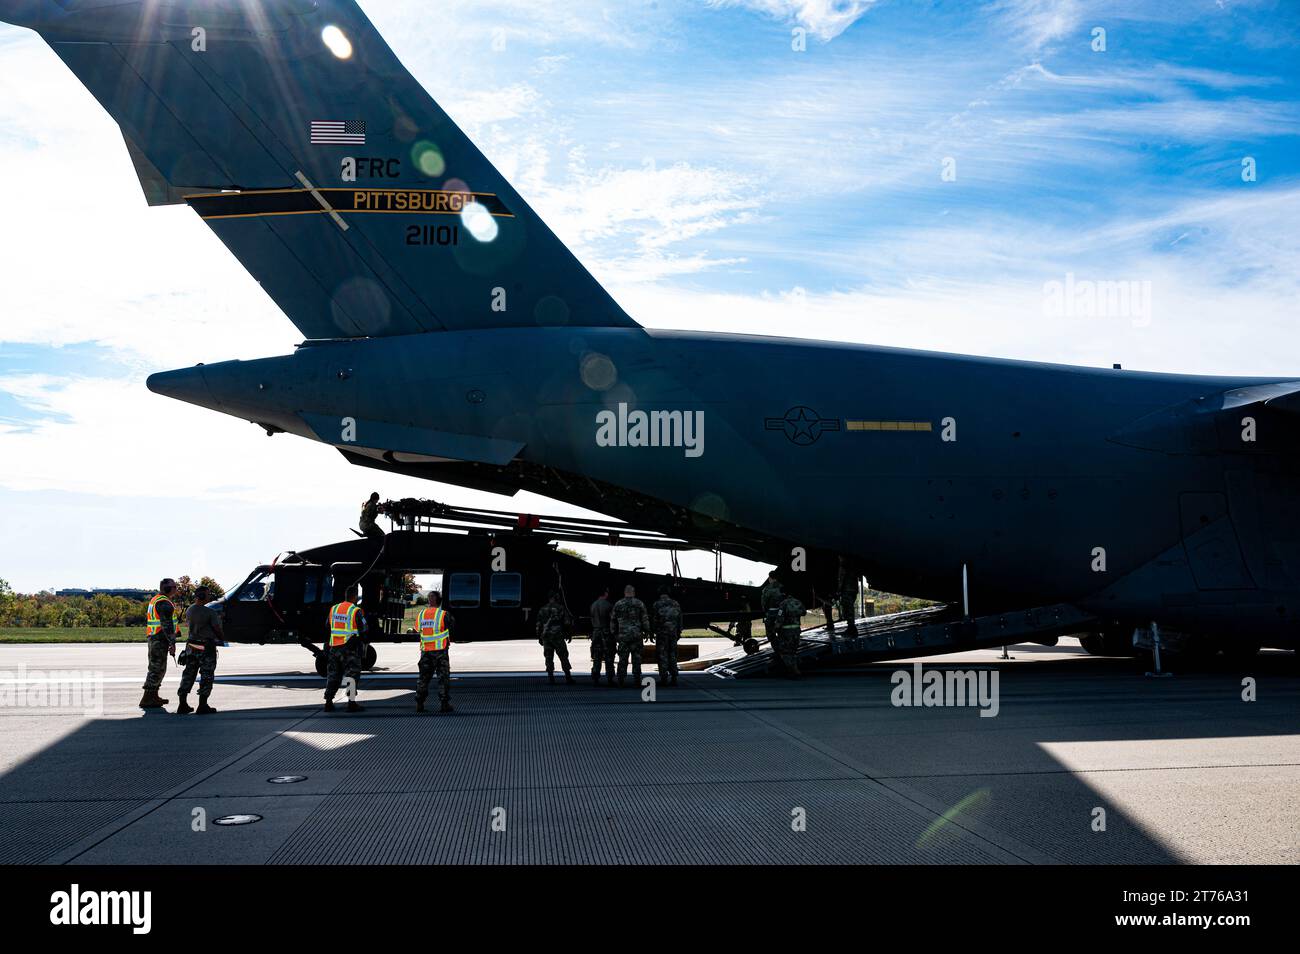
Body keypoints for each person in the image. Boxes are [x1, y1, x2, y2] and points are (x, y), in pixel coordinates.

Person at [177, 585, 221, 714]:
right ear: (203, 596)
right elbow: (216, 629)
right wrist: (221, 637)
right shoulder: (210, 612)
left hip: (191, 645)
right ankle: (202, 705)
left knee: (188, 674)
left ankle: (182, 704)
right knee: (207, 675)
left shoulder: (189, 609)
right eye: (208, 594)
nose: (209, 596)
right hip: (205, 647)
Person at [324, 585, 366, 712]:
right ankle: (351, 703)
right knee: (351, 675)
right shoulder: (355, 610)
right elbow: (364, 628)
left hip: (334, 648)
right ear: (355, 596)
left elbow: (327, 626)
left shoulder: (334, 609)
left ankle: (328, 702)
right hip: (349, 648)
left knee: (333, 675)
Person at [140, 578, 179, 709]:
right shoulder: (164, 603)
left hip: (155, 637)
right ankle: (147, 698)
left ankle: (153, 695)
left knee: (157, 668)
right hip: (159, 639)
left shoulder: (156, 599)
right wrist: (172, 643)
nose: (176, 589)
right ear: (167, 588)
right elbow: (167, 625)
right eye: (174, 587)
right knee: (157, 668)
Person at [415, 591, 454, 713]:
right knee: (443, 678)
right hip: (440, 652)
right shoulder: (443, 614)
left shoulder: (421, 614)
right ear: (439, 601)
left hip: (426, 652)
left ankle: (419, 704)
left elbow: (417, 628)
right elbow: (452, 626)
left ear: (429, 600)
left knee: (423, 678)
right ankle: (444, 704)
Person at [612, 584, 651, 687]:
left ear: (625, 592)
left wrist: (614, 633)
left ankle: (621, 679)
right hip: (636, 636)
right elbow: (645, 619)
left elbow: (613, 620)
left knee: (623, 658)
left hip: (623, 636)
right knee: (637, 658)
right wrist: (647, 631)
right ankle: (637, 679)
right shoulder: (639, 603)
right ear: (633, 593)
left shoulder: (618, 604)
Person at [536, 591, 575, 684]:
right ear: (555, 597)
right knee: (563, 656)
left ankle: (551, 678)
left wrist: (539, 637)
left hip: (546, 637)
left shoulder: (542, 609)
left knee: (548, 657)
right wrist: (569, 634)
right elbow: (567, 623)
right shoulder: (560, 608)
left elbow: (538, 625)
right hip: (558, 636)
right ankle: (568, 677)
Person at [651, 585, 683, 686]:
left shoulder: (657, 604)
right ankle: (674, 677)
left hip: (662, 633)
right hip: (673, 633)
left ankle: (664, 678)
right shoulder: (675, 603)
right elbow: (680, 619)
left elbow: (654, 620)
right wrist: (679, 632)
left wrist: (652, 632)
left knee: (662, 655)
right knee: (672, 654)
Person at [775, 590, 807, 677]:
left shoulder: (783, 604)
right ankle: (796, 669)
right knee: (793, 651)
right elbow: (804, 612)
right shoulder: (798, 602)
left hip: (786, 631)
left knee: (785, 651)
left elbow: (780, 618)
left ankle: (792, 671)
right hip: (796, 630)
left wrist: (776, 629)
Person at [589, 586, 616, 686]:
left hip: (596, 632)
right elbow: (613, 620)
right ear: (605, 593)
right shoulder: (608, 605)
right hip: (606, 633)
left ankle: (595, 677)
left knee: (597, 656)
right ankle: (610, 678)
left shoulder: (593, 605)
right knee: (609, 656)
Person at [837, 555, 859, 637]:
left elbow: (841, 578)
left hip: (846, 590)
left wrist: (839, 589)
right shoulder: (853, 565)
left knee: (848, 609)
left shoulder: (843, 566)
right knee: (850, 608)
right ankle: (851, 628)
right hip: (854, 589)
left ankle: (851, 629)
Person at [760, 571, 783, 650]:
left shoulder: (767, 589)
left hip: (771, 613)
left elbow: (764, 602)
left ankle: (776, 648)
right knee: (781, 631)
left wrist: (766, 612)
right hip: (782, 613)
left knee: (770, 632)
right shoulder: (782, 587)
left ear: (770, 578)